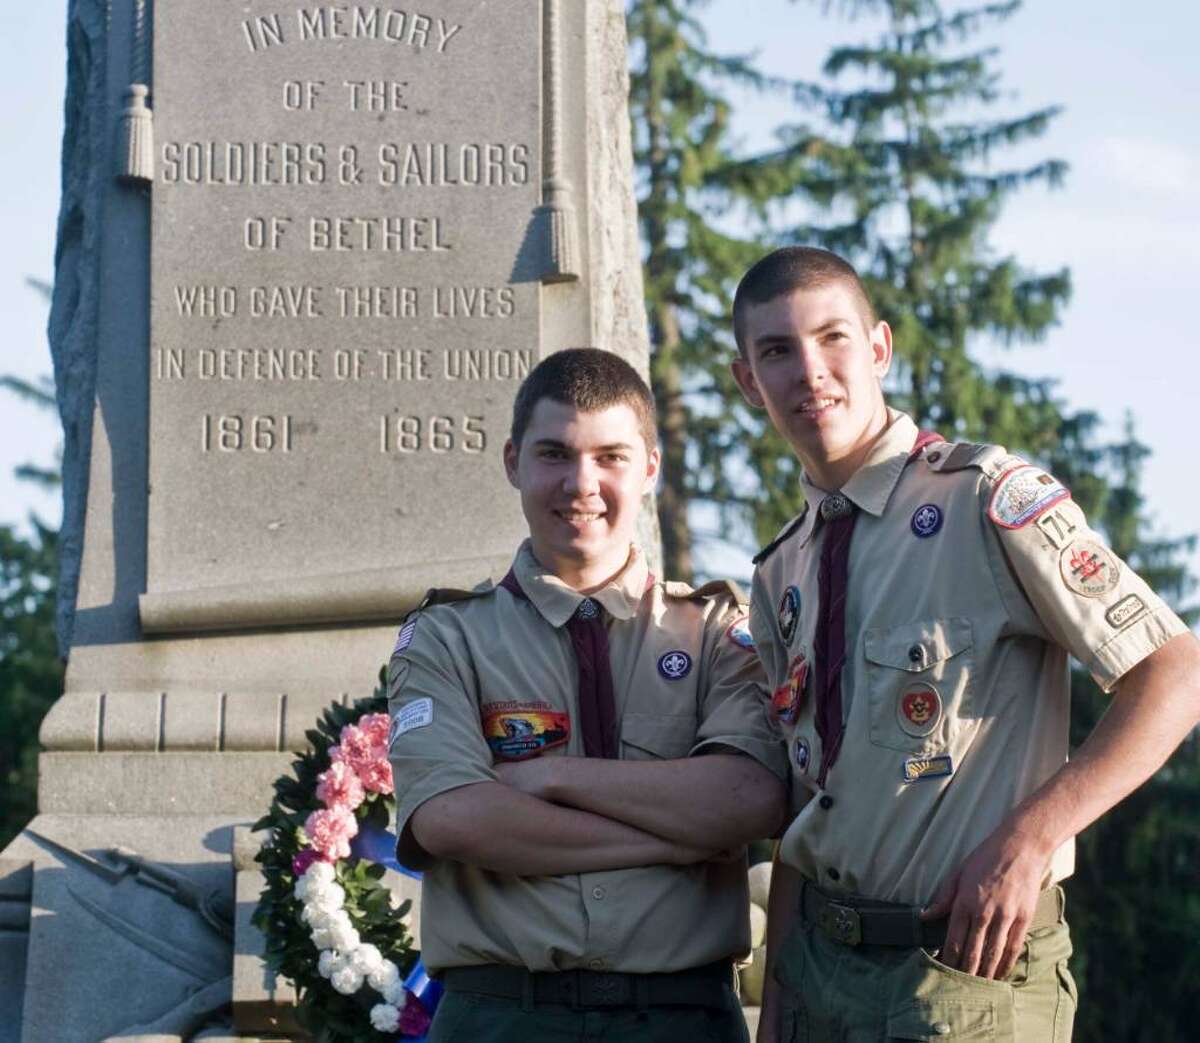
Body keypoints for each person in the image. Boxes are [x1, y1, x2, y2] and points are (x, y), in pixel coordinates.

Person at [729, 246, 1200, 1042]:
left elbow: (1173, 671)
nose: (810, 370)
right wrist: (778, 1013)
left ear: (878, 347)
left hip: (963, 977)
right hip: (822, 979)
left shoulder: (983, 498)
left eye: (832, 337)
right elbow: (807, 813)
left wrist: (1031, 839)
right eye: (776, 350)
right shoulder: (783, 571)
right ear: (748, 381)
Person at [387, 348, 788, 1042]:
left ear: (650, 469)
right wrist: (674, 837)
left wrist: (550, 776)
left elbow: (747, 798)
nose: (582, 483)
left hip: (680, 1016)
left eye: (610, 456)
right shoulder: (445, 638)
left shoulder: (719, 632)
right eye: (554, 454)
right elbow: (453, 819)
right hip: (501, 1015)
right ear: (513, 461)